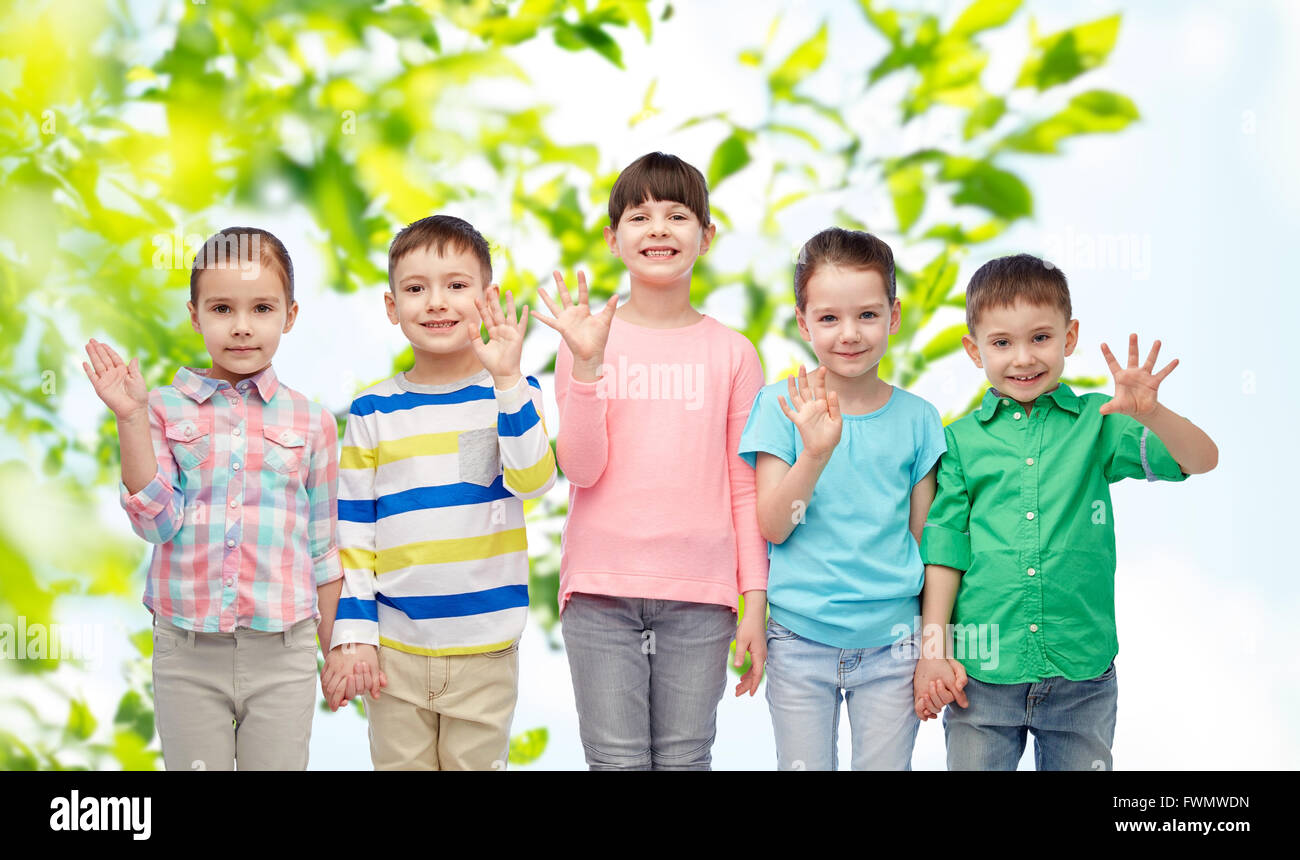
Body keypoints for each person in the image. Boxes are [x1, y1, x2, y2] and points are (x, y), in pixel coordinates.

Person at [915, 253, 1219, 770]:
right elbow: (944, 548)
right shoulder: (960, 442)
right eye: (1001, 342)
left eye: (1040, 337)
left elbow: (1199, 460)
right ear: (974, 349)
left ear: (1069, 337)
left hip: (1082, 675)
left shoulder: (1100, 422)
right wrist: (932, 650)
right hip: (982, 675)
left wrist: (1153, 414)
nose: (1023, 358)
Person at [533, 151, 768, 770]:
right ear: (613, 239)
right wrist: (585, 366)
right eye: (639, 216)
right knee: (615, 761)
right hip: (600, 592)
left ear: (706, 236)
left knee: (686, 758)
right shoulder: (586, 338)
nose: (658, 228)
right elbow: (579, 469)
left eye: (677, 214)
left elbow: (745, 488)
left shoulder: (734, 353)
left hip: (701, 597)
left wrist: (755, 602)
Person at [84, 226, 342, 770]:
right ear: (195, 315)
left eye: (262, 308)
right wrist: (130, 419)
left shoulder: (312, 421)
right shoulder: (159, 407)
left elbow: (323, 550)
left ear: (289, 316)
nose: (242, 327)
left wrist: (335, 649)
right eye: (222, 308)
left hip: (285, 651)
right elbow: (156, 524)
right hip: (187, 651)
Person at [324, 214, 555, 770]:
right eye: (415, 288)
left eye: (456, 285)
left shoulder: (513, 393)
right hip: (395, 649)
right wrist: (352, 634)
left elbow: (535, 481)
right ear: (391, 306)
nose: (436, 302)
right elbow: (353, 529)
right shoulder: (371, 411)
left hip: (486, 647)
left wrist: (507, 382)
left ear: (487, 297)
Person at [737, 227, 944, 770]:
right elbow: (774, 526)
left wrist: (932, 648)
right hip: (798, 639)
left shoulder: (919, 419)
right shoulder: (779, 403)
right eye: (828, 318)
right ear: (803, 322)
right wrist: (815, 453)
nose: (849, 333)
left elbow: (927, 546)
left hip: (892, 646)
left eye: (867, 315)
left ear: (893, 317)